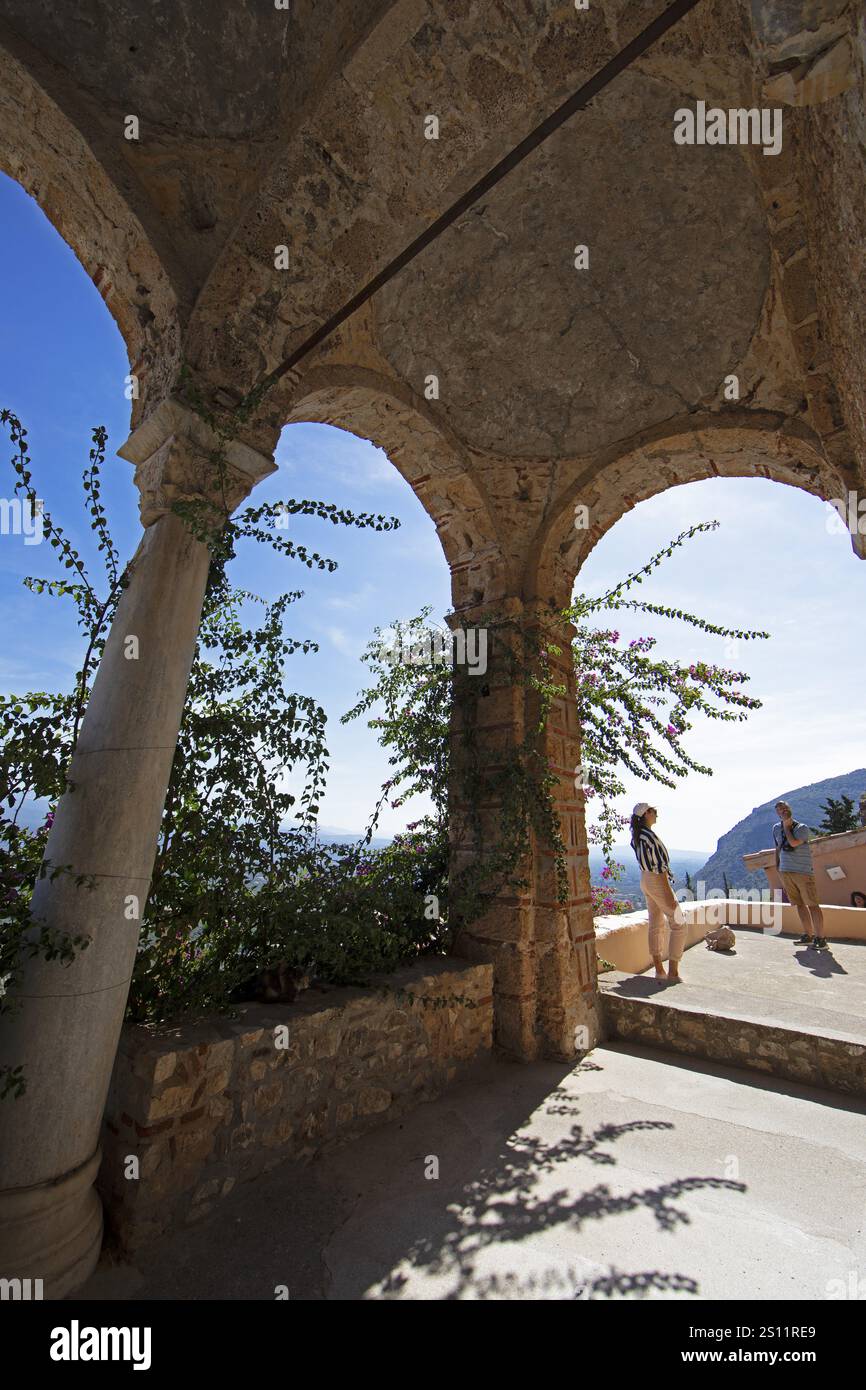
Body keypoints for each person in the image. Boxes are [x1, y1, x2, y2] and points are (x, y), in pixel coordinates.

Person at [630, 801, 686, 982]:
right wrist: (667, 890)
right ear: (647, 814)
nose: (656, 814)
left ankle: (659, 970)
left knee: (656, 923)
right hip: (656, 879)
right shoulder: (649, 837)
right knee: (679, 922)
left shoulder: (638, 836)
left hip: (645, 879)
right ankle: (673, 973)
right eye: (654, 811)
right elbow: (659, 867)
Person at [772, 800, 827, 949]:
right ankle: (808, 935)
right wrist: (777, 865)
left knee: (813, 905)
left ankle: (821, 939)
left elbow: (793, 843)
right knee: (799, 905)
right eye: (779, 809)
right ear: (777, 813)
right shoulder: (775, 828)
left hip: (803, 872)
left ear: (790, 809)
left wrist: (786, 826)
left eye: (785, 808)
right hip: (785, 871)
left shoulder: (801, 827)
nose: (783, 810)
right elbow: (778, 847)